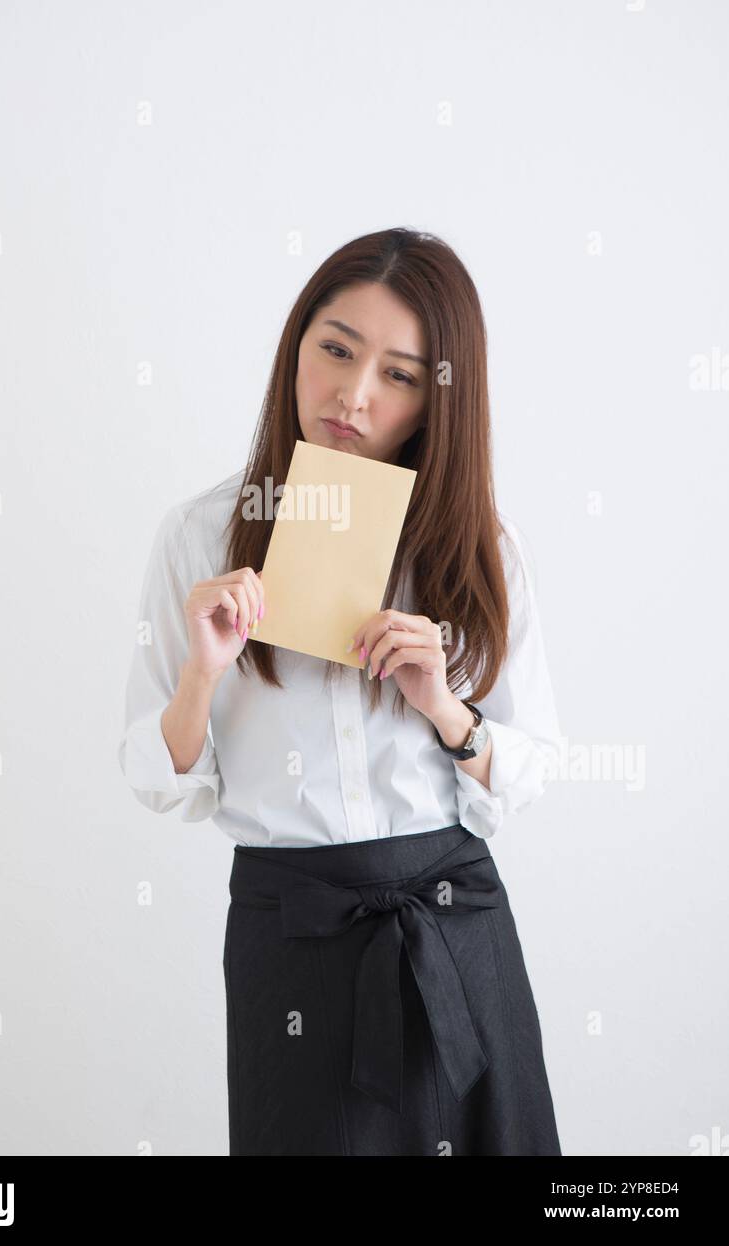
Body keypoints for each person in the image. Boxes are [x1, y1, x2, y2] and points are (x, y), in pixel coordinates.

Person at [117, 226, 563, 1156]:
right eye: (335, 349)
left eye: (400, 375)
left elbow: (528, 769)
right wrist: (204, 671)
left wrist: (446, 708)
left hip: (455, 925)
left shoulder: (480, 546)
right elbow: (161, 779)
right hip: (296, 938)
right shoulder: (202, 536)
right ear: (296, 346)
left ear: (441, 398)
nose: (353, 396)